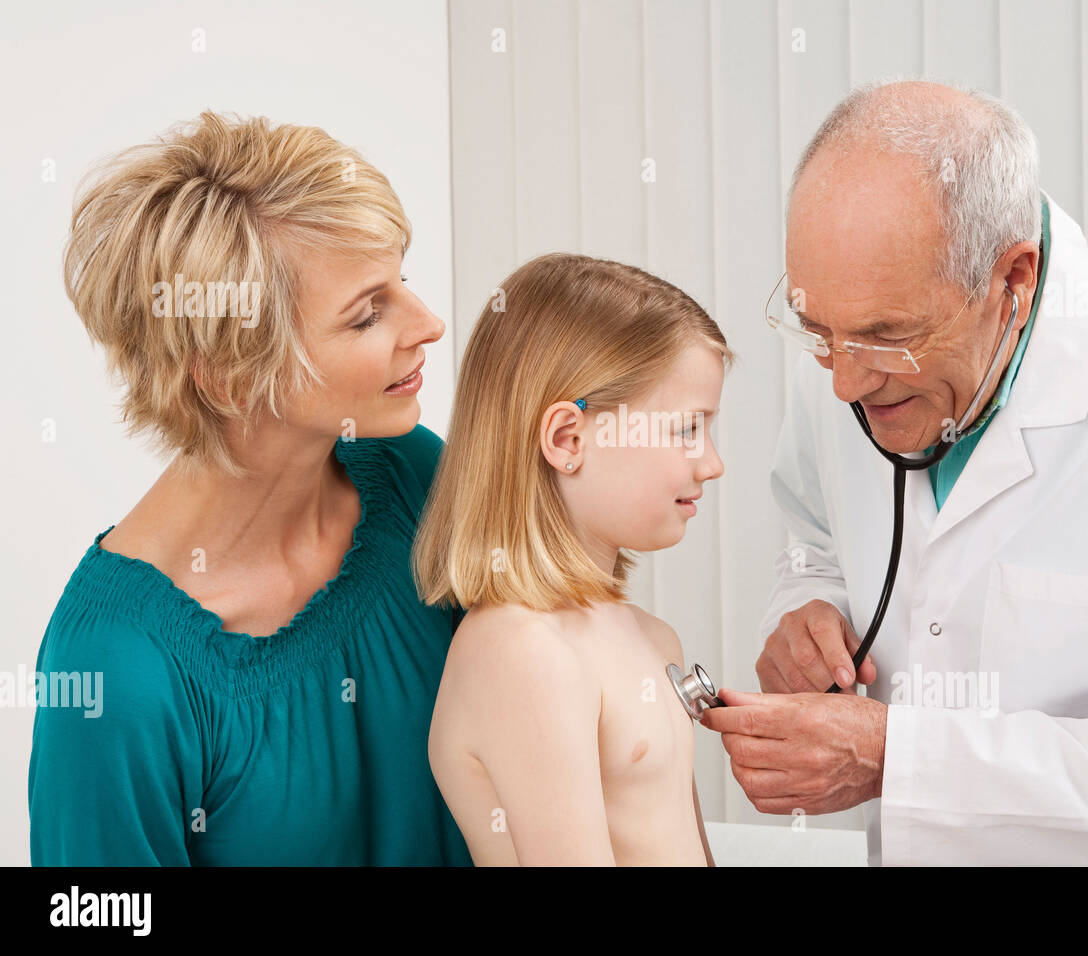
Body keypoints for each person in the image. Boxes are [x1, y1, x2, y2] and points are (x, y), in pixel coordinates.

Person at [701, 79, 1088, 865]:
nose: (844, 381)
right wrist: (809, 608)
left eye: (889, 337)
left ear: (1013, 278)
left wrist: (898, 756)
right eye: (819, 332)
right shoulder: (851, 354)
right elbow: (813, 535)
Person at [29, 111, 470, 865]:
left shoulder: (416, 477)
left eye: (403, 282)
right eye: (368, 314)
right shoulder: (116, 678)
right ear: (232, 375)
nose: (427, 323)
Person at [419, 253, 728, 865]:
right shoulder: (521, 652)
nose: (712, 462)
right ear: (568, 440)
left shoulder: (651, 638)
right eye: (686, 429)